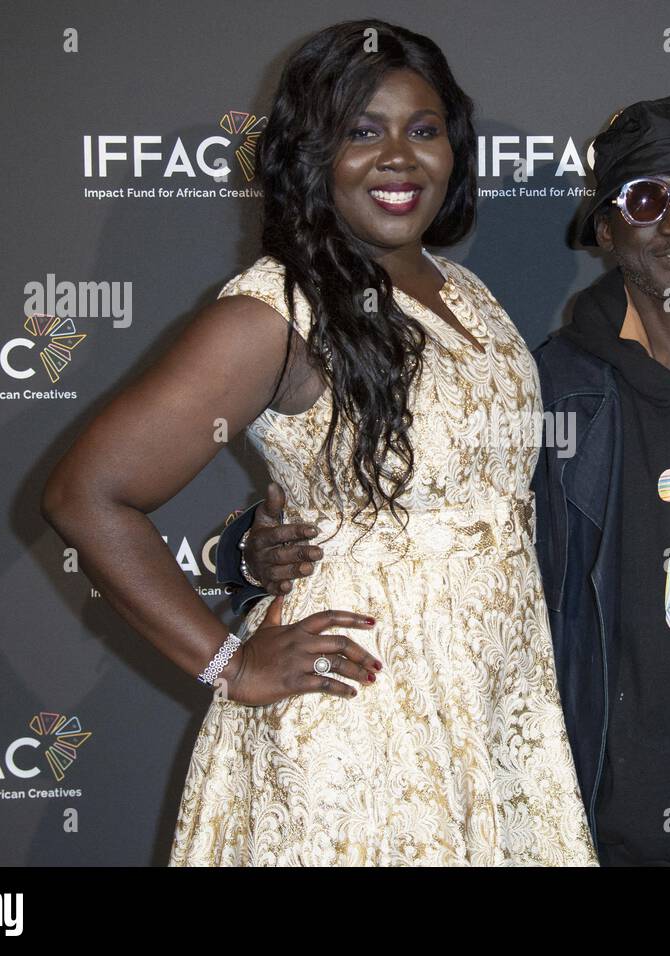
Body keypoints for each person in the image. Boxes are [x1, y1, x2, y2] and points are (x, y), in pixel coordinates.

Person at [222, 95, 670, 866]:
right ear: (605, 229)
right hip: (625, 823)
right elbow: (440, 522)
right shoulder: (553, 387)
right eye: (645, 199)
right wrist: (250, 550)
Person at [41, 19, 596, 866]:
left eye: (424, 129)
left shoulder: (465, 287)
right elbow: (86, 495)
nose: (400, 157)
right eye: (361, 132)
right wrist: (230, 662)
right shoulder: (273, 312)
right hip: (361, 716)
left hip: (494, 700)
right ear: (312, 153)